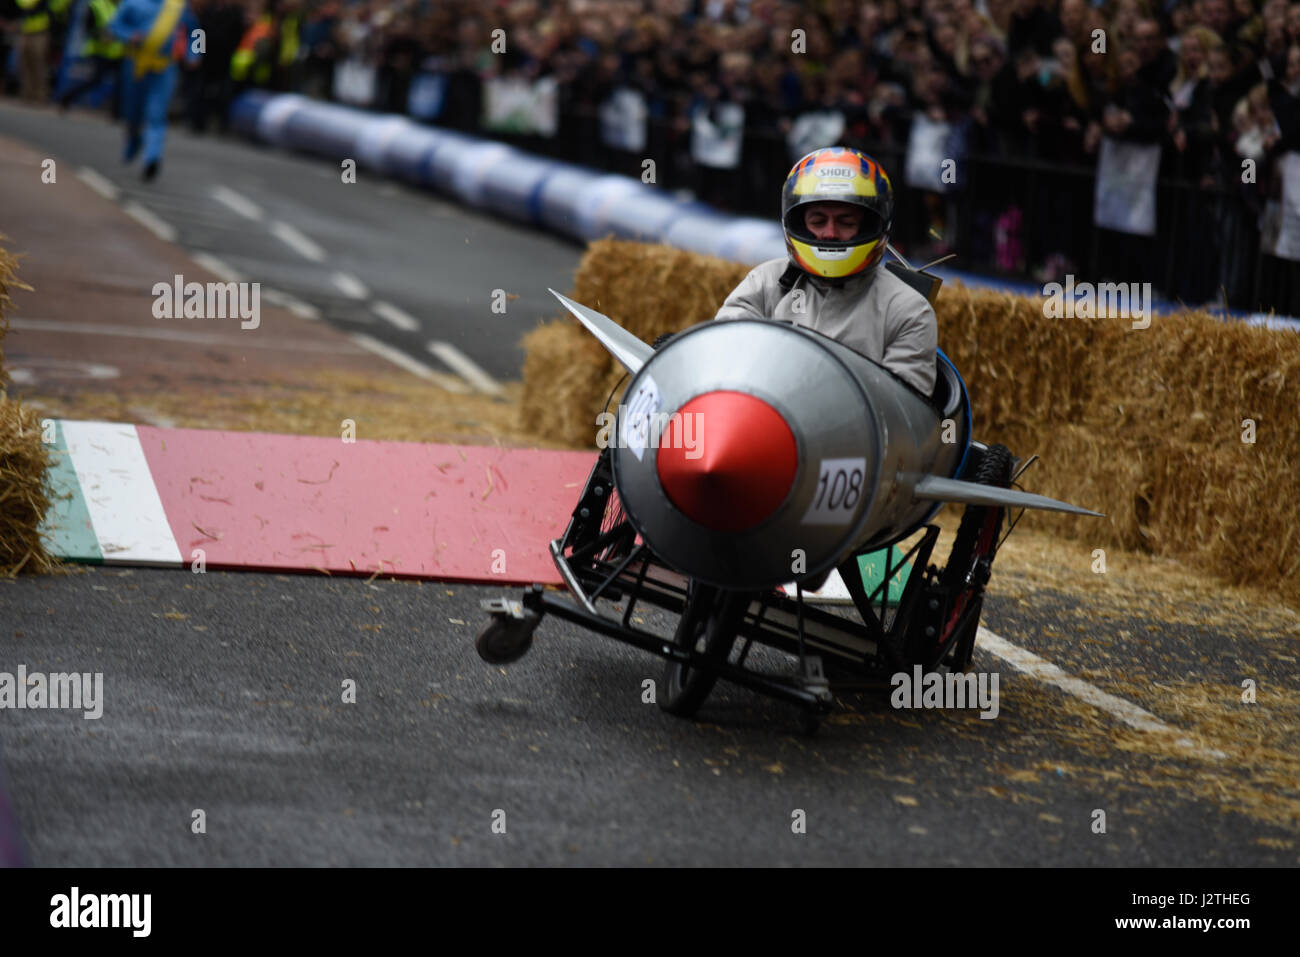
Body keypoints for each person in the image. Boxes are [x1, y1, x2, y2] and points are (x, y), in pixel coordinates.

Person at [713, 146, 938, 396]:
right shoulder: (764, 282)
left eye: (846, 222)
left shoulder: (908, 311)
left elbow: (901, 413)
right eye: (818, 221)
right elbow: (724, 358)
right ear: (798, 222)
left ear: (871, 225)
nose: (830, 233)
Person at [107, 0, 200, 180]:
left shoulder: (177, 5)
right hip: (135, 65)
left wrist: (195, 53)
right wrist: (128, 35)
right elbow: (115, 25)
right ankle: (134, 141)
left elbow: (196, 31)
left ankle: (152, 157)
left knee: (156, 114)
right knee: (133, 113)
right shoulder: (132, 3)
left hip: (164, 67)